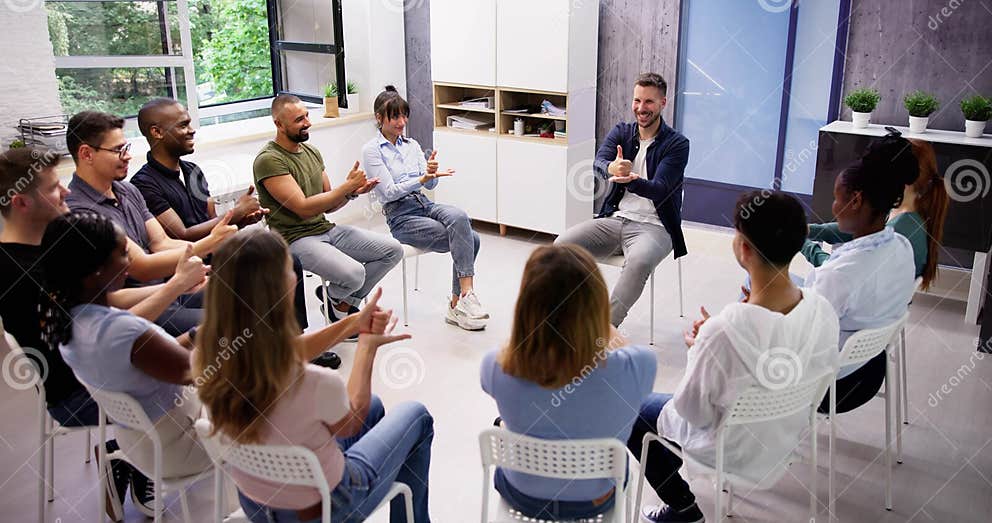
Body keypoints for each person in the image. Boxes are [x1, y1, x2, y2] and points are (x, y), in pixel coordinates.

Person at [0, 148, 209, 519]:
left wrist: (178, 286)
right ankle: (142, 458)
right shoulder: (21, 276)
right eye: (54, 188)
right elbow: (109, 331)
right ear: (20, 201)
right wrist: (174, 289)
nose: (65, 193)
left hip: (97, 370)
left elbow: (107, 302)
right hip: (84, 393)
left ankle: (132, 455)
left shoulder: (44, 250)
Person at [195, 228, 433, 523]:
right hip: (325, 507)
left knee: (374, 407)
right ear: (279, 289)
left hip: (257, 503)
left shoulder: (206, 357)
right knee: (416, 416)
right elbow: (351, 422)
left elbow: (279, 352)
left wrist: (351, 325)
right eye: (288, 269)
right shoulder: (313, 382)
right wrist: (368, 346)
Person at [629, 191, 840, 523]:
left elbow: (690, 411)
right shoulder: (822, 308)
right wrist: (711, 343)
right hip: (786, 436)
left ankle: (684, 509)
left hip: (732, 450)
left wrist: (698, 350)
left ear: (743, 248)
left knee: (635, 412)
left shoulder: (723, 330)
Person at [39, 212, 213, 518]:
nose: (129, 263)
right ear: (95, 271)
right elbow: (195, 372)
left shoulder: (69, 323)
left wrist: (198, 333)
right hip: (183, 445)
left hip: (139, 442)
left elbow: (151, 359)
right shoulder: (121, 331)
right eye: (122, 255)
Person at [480, 243, 656, 521]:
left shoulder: (495, 366)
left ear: (526, 302)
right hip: (595, 498)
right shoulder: (638, 365)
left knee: (502, 424)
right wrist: (599, 326)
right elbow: (621, 350)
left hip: (522, 494)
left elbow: (518, 349)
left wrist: (532, 327)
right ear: (597, 301)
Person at [132, 98, 315, 333]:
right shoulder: (144, 184)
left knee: (287, 260)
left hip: (217, 252)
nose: (191, 130)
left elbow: (210, 219)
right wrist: (234, 212)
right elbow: (182, 234)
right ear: (156, 132)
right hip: (189, 264)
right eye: (183, 125)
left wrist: (239, 221)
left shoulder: (192, 171)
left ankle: (295, 338)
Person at [64, 110, 237, 336]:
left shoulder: (127, 190)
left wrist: (212, 247)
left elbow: (161, 243)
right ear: (86, 154)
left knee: (248, 295)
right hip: (138, 306)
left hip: (169, 288)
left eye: (126, 148)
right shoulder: (80, 211)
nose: (126, 156)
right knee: (231, 322)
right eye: (118, 150)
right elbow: (141, 268)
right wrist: (210, 243)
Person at [253, 94, 403, 329]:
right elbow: (302, 208)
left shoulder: (311, 152)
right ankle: (340, 305)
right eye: (299, 119)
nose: (307, 123)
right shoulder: (269, 160)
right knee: (354, 274)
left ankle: (338, 302)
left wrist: (353, 192)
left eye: (307, 116)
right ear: (279, 124)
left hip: (325, 229)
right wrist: (346, 188)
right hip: (293, 240)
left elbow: (328, 203)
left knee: (393, 250)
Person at [555, 72, 690, 327]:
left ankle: (604, 330)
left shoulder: (677, 144)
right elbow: (599, 161)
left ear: (663, 103)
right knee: (561, 247)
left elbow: (660, 188)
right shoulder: (622, 132)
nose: (641, 108)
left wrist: (631, 180)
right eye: (637, 100)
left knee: (638, 262)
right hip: (616, 220)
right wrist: (612, 169)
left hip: (656, 228)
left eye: (649, 102)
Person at [802, 135, 919, 414]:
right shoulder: (902, 246)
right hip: (870, 369)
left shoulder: (839, 275)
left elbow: (801, 340)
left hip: (830, 389)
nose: (832, 206)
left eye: (835, 198)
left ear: (855, 201)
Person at [362, 86, 488, 331]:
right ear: (380, 118)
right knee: (471, 240)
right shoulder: (371, 151)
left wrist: (430, 174)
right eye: (396, 116)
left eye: (404, 116)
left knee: (460, 217)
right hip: (401, 217)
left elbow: (429, 184)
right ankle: (460, 303)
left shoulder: (412, 145)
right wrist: (419, 180)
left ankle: (462, 299)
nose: (402, 122)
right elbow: (389, 192)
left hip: (423, 203)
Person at [803, 136, 948, 291]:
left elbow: (841, 273)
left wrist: (803, 244)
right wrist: (810, 230)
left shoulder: (901, 230)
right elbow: (859, 229)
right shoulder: (899, 209)